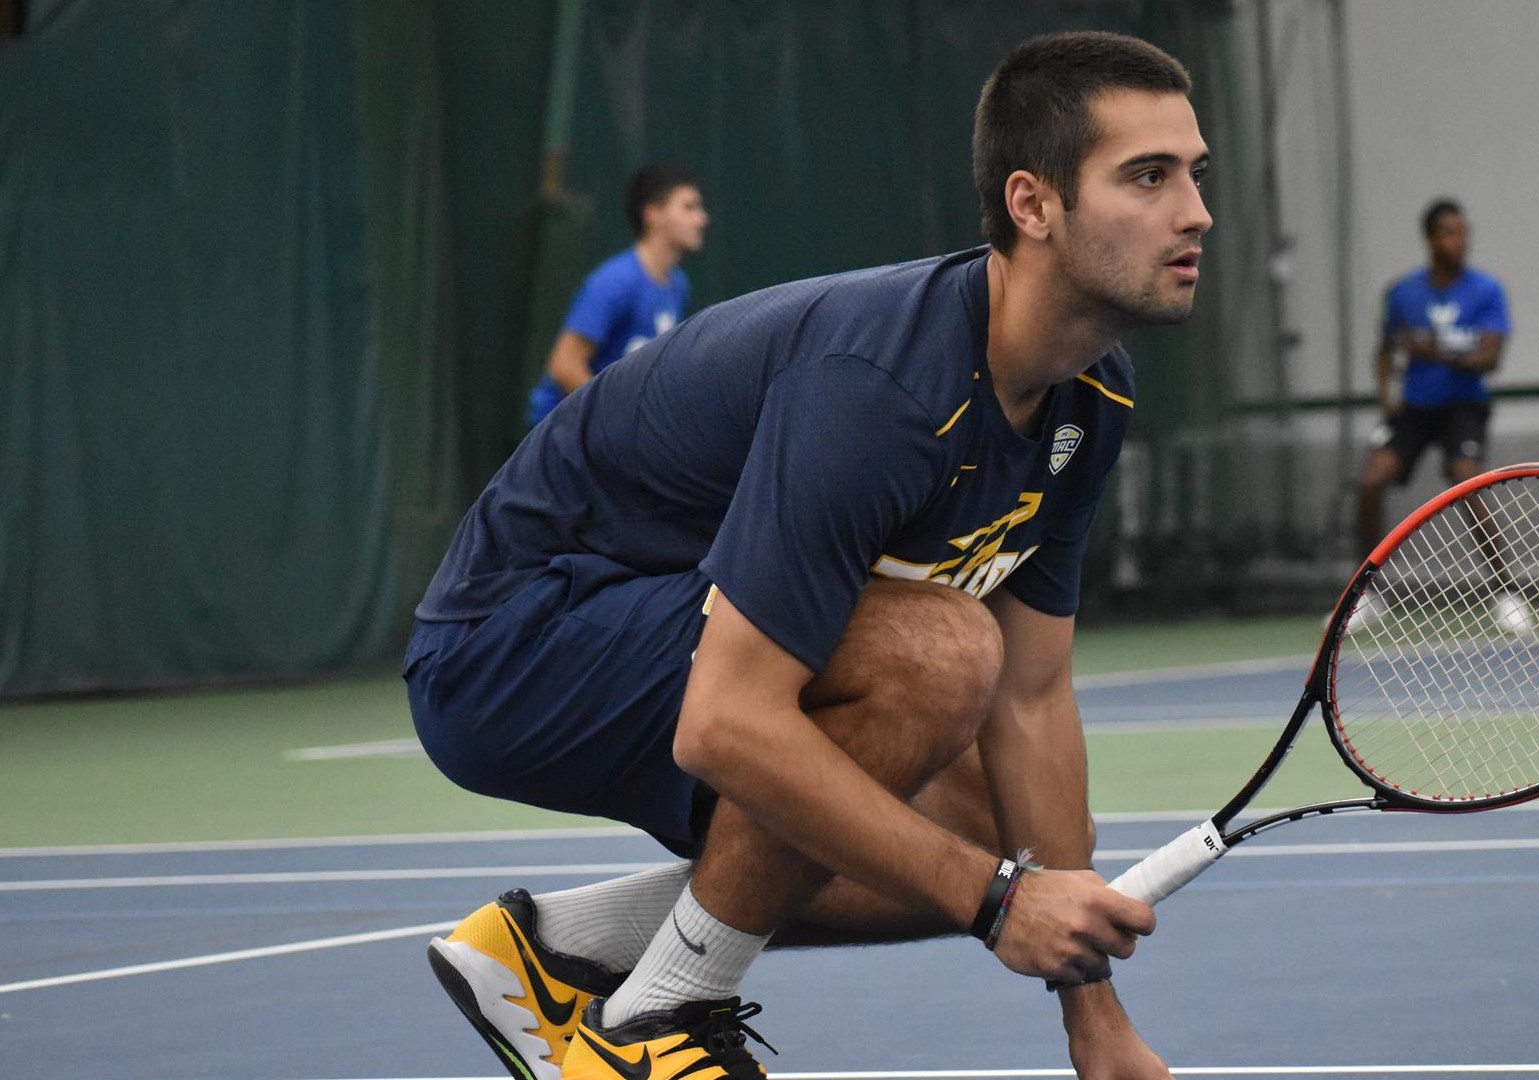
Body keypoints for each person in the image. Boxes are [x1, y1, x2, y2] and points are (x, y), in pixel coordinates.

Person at [405, 31, 1211, 1080]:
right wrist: (993, 900)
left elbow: (1033, 697)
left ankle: (556, 948)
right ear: (1033, 204)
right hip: (510, 643)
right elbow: (725, 723)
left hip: (652, 626)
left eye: (1195, 174)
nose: (1193, 211)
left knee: (975, 816)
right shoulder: (882, 388)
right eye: (1146, 176)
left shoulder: (1089, 396)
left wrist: (1091, 1022)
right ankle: (655, 1025)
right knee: (936, 657)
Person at [1353, 198, 1511, 559]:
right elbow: (1384, 350)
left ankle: (1506, 589)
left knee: (1466, 480)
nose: (1459, 242)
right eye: (1449, 233)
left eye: (1463, 233)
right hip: (1416, 408)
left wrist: (1435, 351)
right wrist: (1386, 397)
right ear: (1429, 239)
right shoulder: (1403, 294)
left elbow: (1490, 358)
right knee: (1371, 482)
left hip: (1464, 405)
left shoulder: (1487, 291)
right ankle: (1367, 592)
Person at [526, 164, 709, 427]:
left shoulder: (678, 285)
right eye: (689, 207)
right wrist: (618, 418)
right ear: (653, 214)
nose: (701, 219)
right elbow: (564, 366)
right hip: (563, 434)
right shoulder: (616, 282)